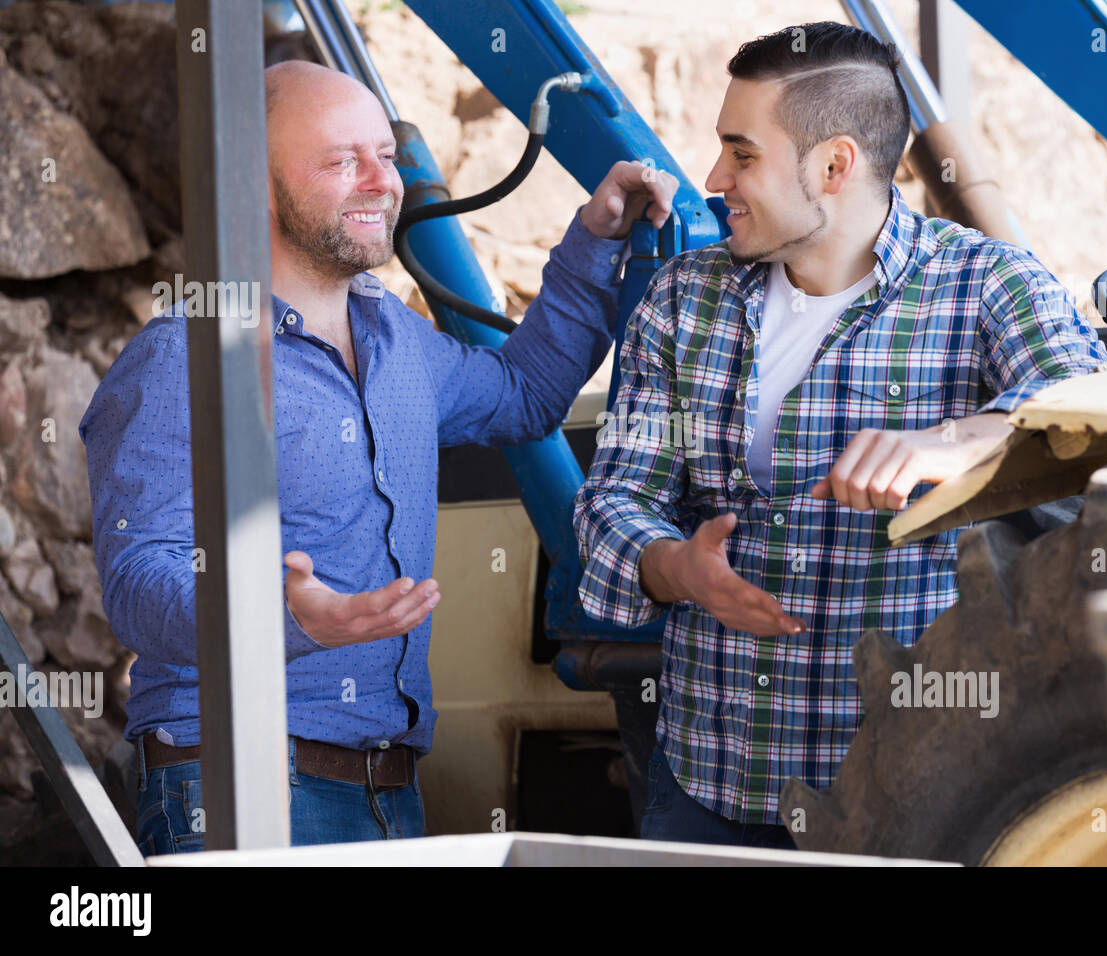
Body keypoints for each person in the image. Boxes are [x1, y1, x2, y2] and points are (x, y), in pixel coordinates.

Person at [79, 60, 678, 854]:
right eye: (340, 161)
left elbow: (525, 393)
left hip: (387, 786)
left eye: (386, 156)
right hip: (231, 782)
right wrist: (281, 615)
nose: (380, 181)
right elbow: (138, 584)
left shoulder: (395, 338)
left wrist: (596, 241)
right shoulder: (181, 361)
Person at [572, 22, 1107, 849]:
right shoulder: (683, 299)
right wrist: (674, 566)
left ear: (834, 165)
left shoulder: (985, 282)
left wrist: (955, 441)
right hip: (705, 792)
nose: (714, 180)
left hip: (908, 804)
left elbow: (1096, 411)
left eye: (741, 154)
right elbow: (614, 499)